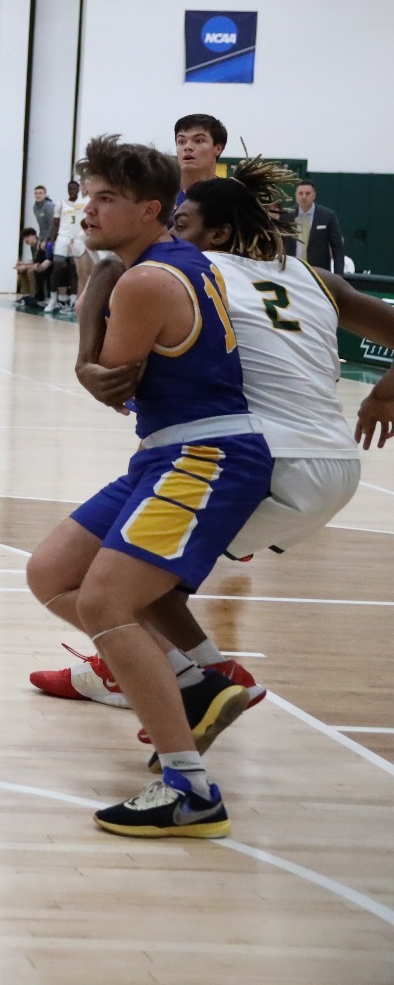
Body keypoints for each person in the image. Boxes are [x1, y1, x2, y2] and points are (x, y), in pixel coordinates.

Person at [33, 161, 394, 721]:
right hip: (335, 465)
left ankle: (175, 682)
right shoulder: (312, 276)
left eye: (180, 225)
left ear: (217, 234)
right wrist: (384, 397)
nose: (170, 235)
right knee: (139, 579)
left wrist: (86, 363)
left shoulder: (194, 270)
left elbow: (107, 270)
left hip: (255, 457)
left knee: (115, 580)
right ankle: (177, 674)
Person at [23, 136, 269, 840]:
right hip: (168, 451)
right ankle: (196, 681)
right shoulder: (175, 261)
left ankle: (190, 789)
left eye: (107, 198)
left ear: (151, 209)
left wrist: (93, 300)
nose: (88, 209)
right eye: (88, 195)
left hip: (207, 454)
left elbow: (108, 380)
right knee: (52, 573)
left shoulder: (142, 281)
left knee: (106, 600)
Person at [290, 181, 343, 271]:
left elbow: (337, 248)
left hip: (318, 271)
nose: (304, 197)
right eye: (300, 193)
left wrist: (338, 274)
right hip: (292, 270)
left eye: (307, 193)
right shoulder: (286, 216)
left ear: (314, 195)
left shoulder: (327, 216)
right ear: (296, 195)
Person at [172, 113, 226, 200]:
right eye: (182, 142)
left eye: (198, 141)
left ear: (218, 148)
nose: (187, 147)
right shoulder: (161, 194)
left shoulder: (233, 196)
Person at [54, 179, 89, 307]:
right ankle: (77, 304)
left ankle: (86, 304)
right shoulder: (78, 201)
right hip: (77, 240)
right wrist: (73, 239)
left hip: (86, 239)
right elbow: (75, 223)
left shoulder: (90, 200)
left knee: (87, 274)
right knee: (79, 274)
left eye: (85, 184)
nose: (83, 186)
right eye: (82, 184)